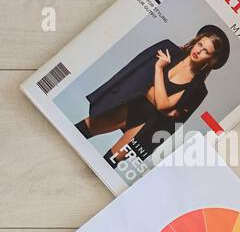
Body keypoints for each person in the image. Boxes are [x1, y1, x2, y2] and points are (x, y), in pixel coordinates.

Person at [78, 25, 229, 164]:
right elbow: (135, 72)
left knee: (109, 162)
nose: (198, 51)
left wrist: (158, 69)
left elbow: (162, 105)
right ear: (196, 41)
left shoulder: (198, 88)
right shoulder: (168, 49)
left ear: (212, 60)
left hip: (147, 124)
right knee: (80, 131)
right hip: (128, 105)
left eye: (206, 51)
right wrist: (162, 102)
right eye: (200, 44)